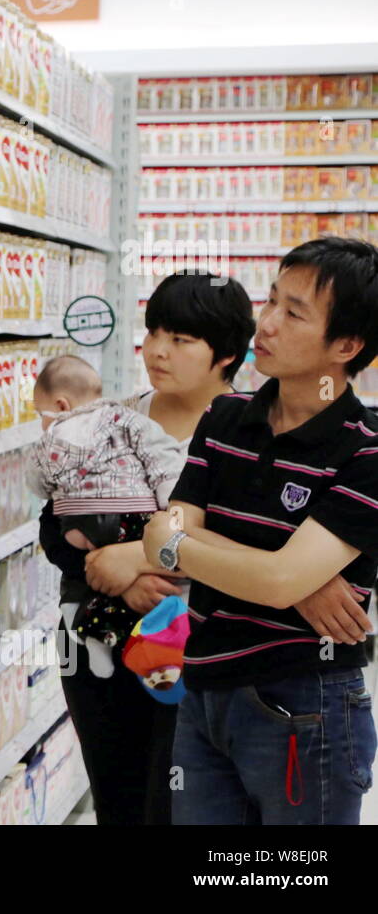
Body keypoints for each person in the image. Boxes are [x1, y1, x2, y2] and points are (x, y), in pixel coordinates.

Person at [142, 238, 378, 824]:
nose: (265, 323)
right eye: (270, 300)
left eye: (293, 313)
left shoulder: (365, 450)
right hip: (201, 689)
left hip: (305, 700)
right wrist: (292, 578)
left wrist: (187, 545)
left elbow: (261, 575)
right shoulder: (224, 418)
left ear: (346, 345)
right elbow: (158, 534)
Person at [40, 270, 255, 825]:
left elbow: (253, 546)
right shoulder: (109, 421)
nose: (158, 351)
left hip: (202, 649)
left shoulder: (249, 436)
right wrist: (113, 574)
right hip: (99, 640)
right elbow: (54, 527)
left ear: (227, 354)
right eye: (154, 331)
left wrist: (137, 559)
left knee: (180, 804)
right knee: (119, 797)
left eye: (181, 340)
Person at [26, 354, 184, 676]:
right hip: (136, 519)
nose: (162, 350)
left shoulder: (54, 435)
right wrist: (171, 505)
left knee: (83, 580)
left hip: (78, 524)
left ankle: (89, 630)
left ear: (60, 404)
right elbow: (162, 463)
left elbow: (39, 484)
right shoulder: (127, 418)